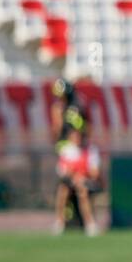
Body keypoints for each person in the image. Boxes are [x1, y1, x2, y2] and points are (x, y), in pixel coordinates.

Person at [49, 78, 97, 235]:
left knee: (80, 190)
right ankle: (62, 220)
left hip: (79, 166)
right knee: (64, 189)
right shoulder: (64, 108)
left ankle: (87, 223)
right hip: (68, 159)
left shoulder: (73, 108)